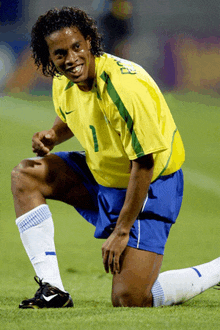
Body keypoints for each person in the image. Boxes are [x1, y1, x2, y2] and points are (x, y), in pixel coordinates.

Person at [11, 7, 220, 309]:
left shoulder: (124, 89)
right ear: (49, 58)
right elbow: (74, 112)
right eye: (59, 53)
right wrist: (54, 135)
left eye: (77, 47)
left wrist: (122, 231)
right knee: (26, 175)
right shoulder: (64, 81)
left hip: (150, 187)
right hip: (102, 175)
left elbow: (144, 163)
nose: (71, 59)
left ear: (90, 42)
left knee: (130, 298)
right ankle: (53, 289)